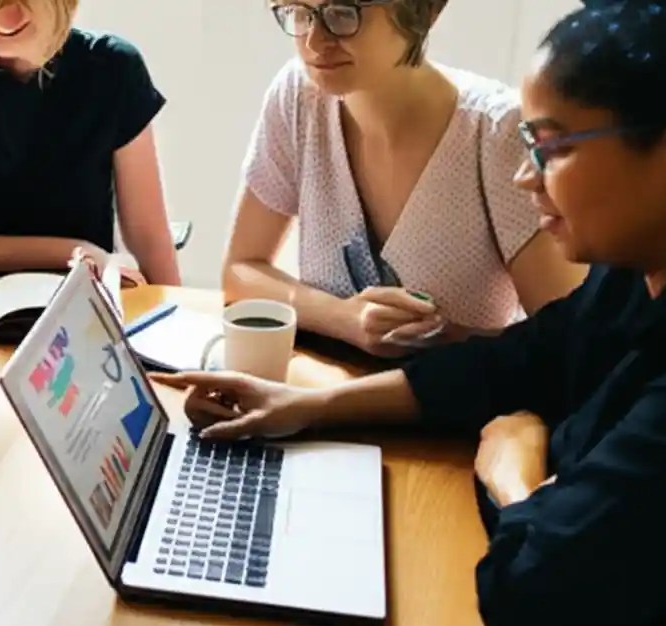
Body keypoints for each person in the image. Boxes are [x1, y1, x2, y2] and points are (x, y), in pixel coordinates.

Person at [168, 0, 666, 626]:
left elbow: (533, 595)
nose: (530, 179)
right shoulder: (631, 277)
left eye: (554, 148)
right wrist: (309, 407)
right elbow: (519, 361)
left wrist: (515, 473)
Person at [225, 0, 586, 358]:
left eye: (343, 12)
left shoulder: (497, 134)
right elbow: (240, 271)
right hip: (316, 395)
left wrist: (443, 336)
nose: (314, 41)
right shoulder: (298, 96)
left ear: (424, 10)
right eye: (299, 12)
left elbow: (565, 344)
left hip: (457, 411)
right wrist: (344, 319)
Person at [0, 0, 182, 285]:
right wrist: (71, 251)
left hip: (75, 310)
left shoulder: (115, 68)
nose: (6, 17)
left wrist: (179, 322)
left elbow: (149, 239)